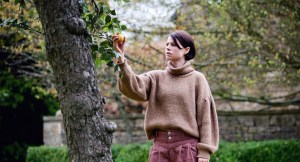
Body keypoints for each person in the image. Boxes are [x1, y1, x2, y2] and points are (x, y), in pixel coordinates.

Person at [112, 30, 219, 162]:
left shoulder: (197, 79)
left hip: (187, 149)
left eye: (173, 44)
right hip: (160, 149)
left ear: (186, 50)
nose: (168, 47)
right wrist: (122, 60)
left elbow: (206, 117)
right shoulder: (156, 77)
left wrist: (204, 152)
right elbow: (133, 88)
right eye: (167, 44)